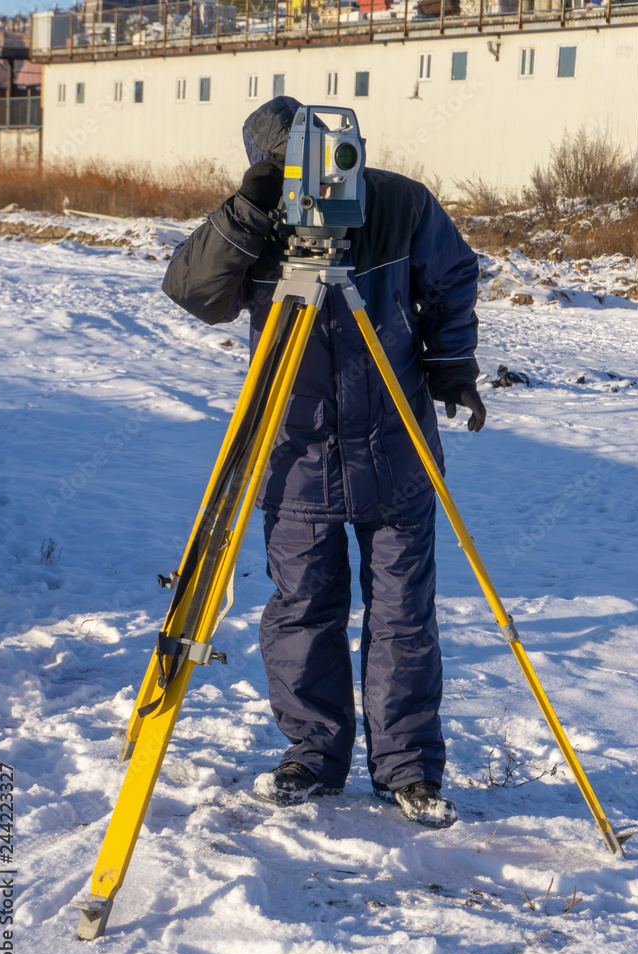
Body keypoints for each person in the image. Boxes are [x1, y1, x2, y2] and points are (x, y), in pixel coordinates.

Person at [162, 96, 485, 828]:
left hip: (395, 451)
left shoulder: (397, 203)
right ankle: (312, 755)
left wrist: (452, 362)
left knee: (403, 617)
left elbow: (451, 275)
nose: (317, 175)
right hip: (295, 452)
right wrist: (250, 209)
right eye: (285, 164)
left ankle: (408, 770)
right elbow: (194, 293)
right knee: (301, 610)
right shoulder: (260, 220)